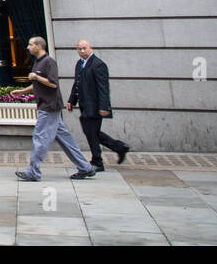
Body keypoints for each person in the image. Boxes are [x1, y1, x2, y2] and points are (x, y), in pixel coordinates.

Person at [10, 36, 96, 181]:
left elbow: (53, 83)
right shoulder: (38, 62)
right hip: (47, 105)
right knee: (65, 138)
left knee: (40, 137)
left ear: (39, 46)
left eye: (30, 45)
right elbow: (39, 84)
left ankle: (33, 171)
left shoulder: (49, 62)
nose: (28, 47)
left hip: (49, 106)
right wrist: (23, 91)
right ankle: (85, 167)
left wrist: (36, 77)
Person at [67, 39, 130, 171]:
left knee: (91, 133)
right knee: (91, 132)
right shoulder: (80, 64)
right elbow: (77, 83)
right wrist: (71, 100)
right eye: (79, 49)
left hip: (95, 106)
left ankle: (97, 162)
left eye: (84, 48)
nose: (82, 51)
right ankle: (119, 147)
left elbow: (103, 88)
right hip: (84, 105)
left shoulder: (98, 64)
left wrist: (104, 107)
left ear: (91, 48)